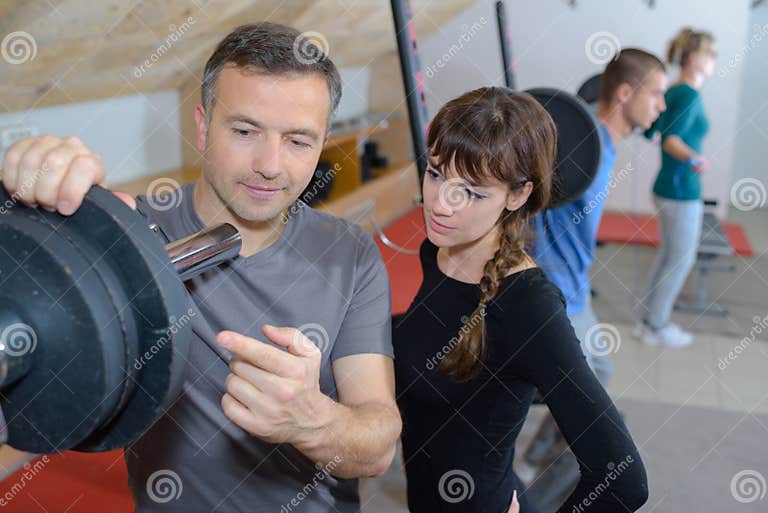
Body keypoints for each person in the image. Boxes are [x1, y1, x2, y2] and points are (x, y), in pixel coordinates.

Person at [0, 22, 401, 512]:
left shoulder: (350, 252)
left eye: (298, 141)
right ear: (203, 126)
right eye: (245, 130)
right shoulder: (127, 240)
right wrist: (25, 198)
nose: (270, 164)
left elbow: (378, 442)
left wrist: (309, 418)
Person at [393, 86, 649, 513]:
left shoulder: (529, 304)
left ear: (517, 195)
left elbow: (623, 477)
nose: (442, 203)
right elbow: (431, 333)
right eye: (436, 173)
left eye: (473, 192)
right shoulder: (437, 253)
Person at [522, 50, 667, 502]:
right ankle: (537, 493)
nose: (662, 105)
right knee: (599, 409)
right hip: (555, 290)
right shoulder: (590, 148)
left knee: (593, 380)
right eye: (657, 93)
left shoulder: (599, 144)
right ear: (625, 94)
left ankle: (536, 455)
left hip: (574, 286)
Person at [635, 28, 717, 348]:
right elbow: (669, 140)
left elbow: (650, 131)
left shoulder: (673, 91)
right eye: (712, 54)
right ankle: (657, 324)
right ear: (695, 58)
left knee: (669, 256)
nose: (715, 61)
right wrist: (695, 158)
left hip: (668, 187)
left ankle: (648, 321)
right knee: (680, 259)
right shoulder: (689, 94)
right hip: (682, 190)